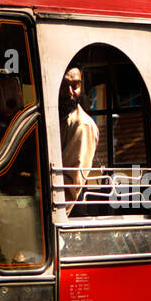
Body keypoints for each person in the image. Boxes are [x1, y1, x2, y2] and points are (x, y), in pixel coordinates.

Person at [59, 66, 99, 205]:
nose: (69, 92)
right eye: (63, 86)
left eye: (75, 86)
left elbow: (69, 189)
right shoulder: (58, 119)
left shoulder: (82, 125)